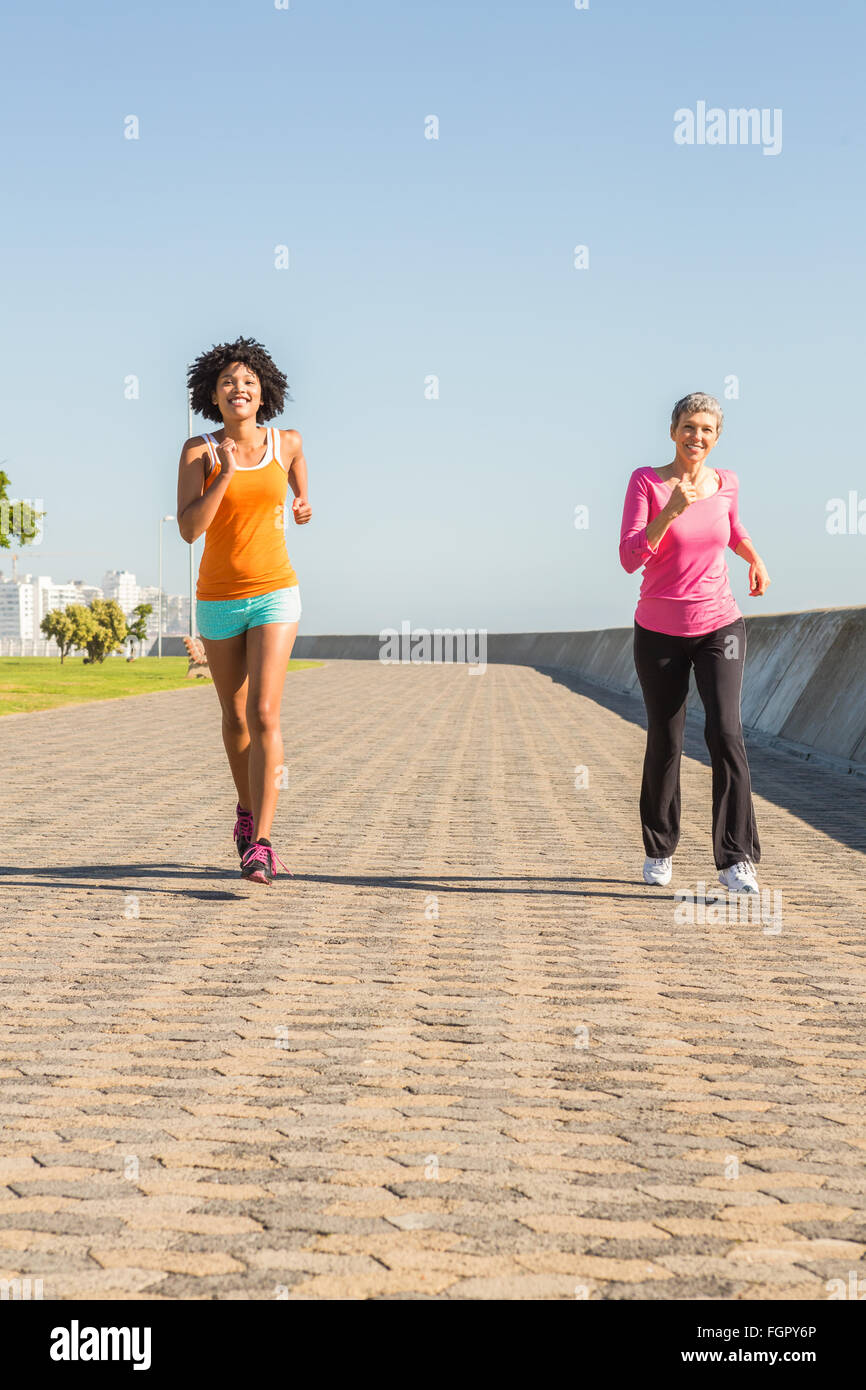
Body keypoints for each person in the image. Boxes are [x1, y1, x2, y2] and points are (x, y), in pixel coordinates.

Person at [619, 393, 770, 894]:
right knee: (666, 739)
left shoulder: (727, 483)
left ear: (716, 437)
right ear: (672, 431)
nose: (696, 436)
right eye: (688, 426)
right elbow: (629, 556)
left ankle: (735, 857)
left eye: (706, 429)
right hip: (659, 630)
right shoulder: (647, 481)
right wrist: (670, 511)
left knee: (726, 733)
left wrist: (753, 556)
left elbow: (732, 527)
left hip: (718, 626)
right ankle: (659, 848)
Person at [176, 336, 312, 885]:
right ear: (214, 394)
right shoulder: (199, 450)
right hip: (218, 599)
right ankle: (245, 809)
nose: (240, 388)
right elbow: (189, 529)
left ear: (264, 394)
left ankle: (263, 843)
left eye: (249, 381)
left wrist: (303, 500)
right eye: (229, 381)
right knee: (234, 718)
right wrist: (226, 474)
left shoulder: (288, 442)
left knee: (264, 714)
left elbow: (298, 467)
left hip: (276, 591)